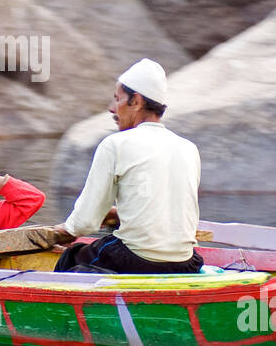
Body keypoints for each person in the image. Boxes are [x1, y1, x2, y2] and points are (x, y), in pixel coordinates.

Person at [52, 58, 201, 273]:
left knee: (72, 257)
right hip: (185, 263)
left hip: (136, 259)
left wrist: (65, 230)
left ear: (136, 101)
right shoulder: (189, 148)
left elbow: (85, 222)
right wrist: (117, 214)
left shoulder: (115, 144)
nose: (112, 108)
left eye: (117, 99)